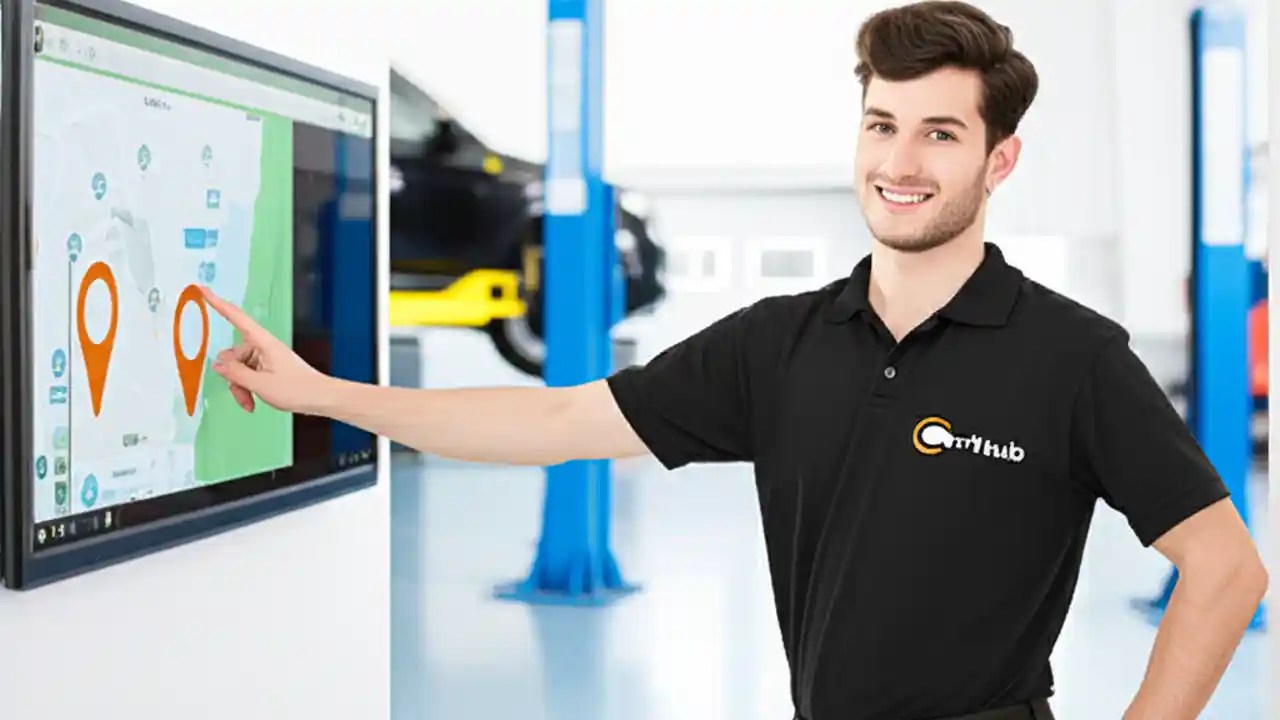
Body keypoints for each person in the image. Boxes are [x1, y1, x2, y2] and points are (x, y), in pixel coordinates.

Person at [201, 2, 1268, 718]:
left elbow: (1224, 571)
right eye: (879, 124)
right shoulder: (779, 344)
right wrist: (324, 393)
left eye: (938, 134)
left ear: (1000, 158)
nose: (897, 162)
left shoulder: (1070, 357)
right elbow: (559, 422)